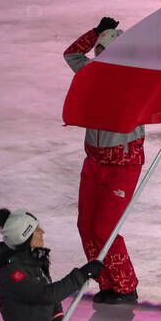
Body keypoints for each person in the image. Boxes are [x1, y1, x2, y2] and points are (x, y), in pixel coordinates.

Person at [64, 17, 143, 304]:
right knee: (86, 226)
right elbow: (71, 54)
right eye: (99, 51)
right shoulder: (90, 73)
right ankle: (106, 283)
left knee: (104, 228)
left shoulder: (135, 81)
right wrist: (95, 32)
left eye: (108, 52)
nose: (102, 57)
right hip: (94, 162)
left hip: (122, 166)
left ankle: (126, 286)